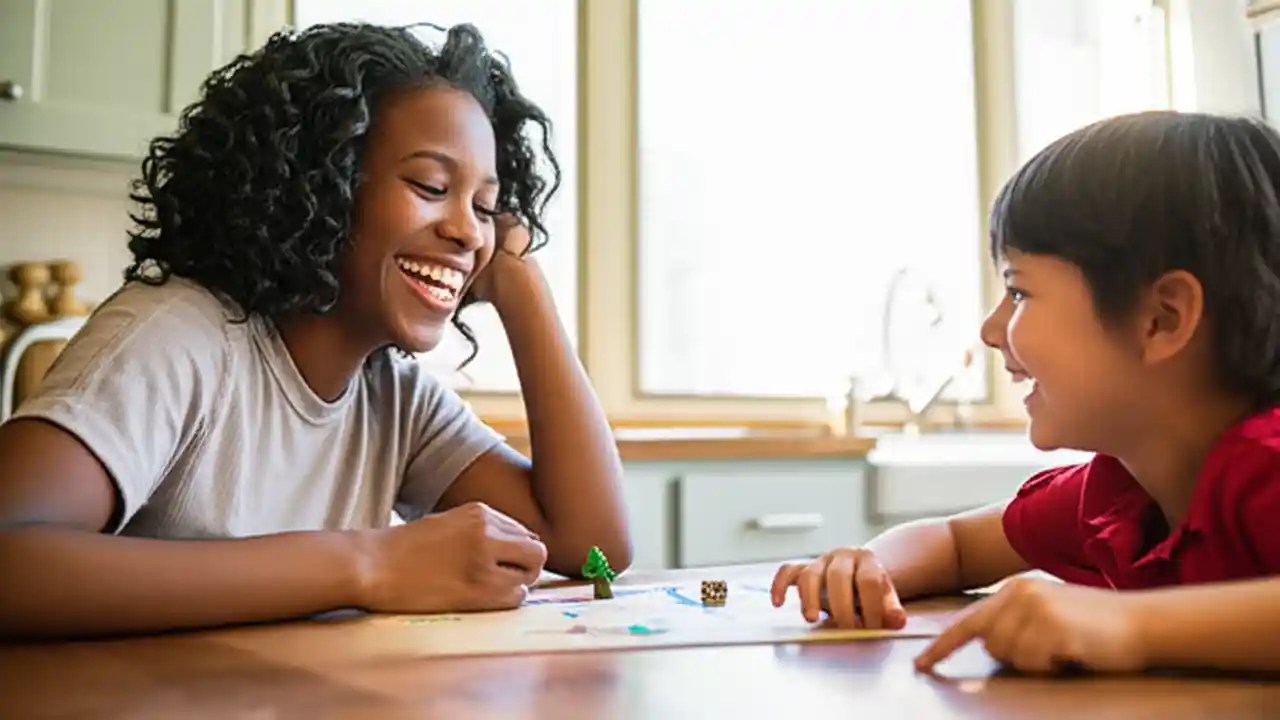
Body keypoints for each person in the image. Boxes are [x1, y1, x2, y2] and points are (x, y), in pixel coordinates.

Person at [0, 22, 630, 640]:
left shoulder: (395, 399)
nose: (469, 232)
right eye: (431, 186)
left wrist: (523, 287)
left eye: (485, 208)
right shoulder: (179, 335)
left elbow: (591, 544)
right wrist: (368, 564)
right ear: (318, 183)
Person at [773, 111, 1280, 674]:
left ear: (1161, 318)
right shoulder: (1119, 495)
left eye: (1018, 292)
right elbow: (956, 542)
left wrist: (1130, 626)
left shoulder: (1265, 463)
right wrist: (870, 565)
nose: (991, 332)